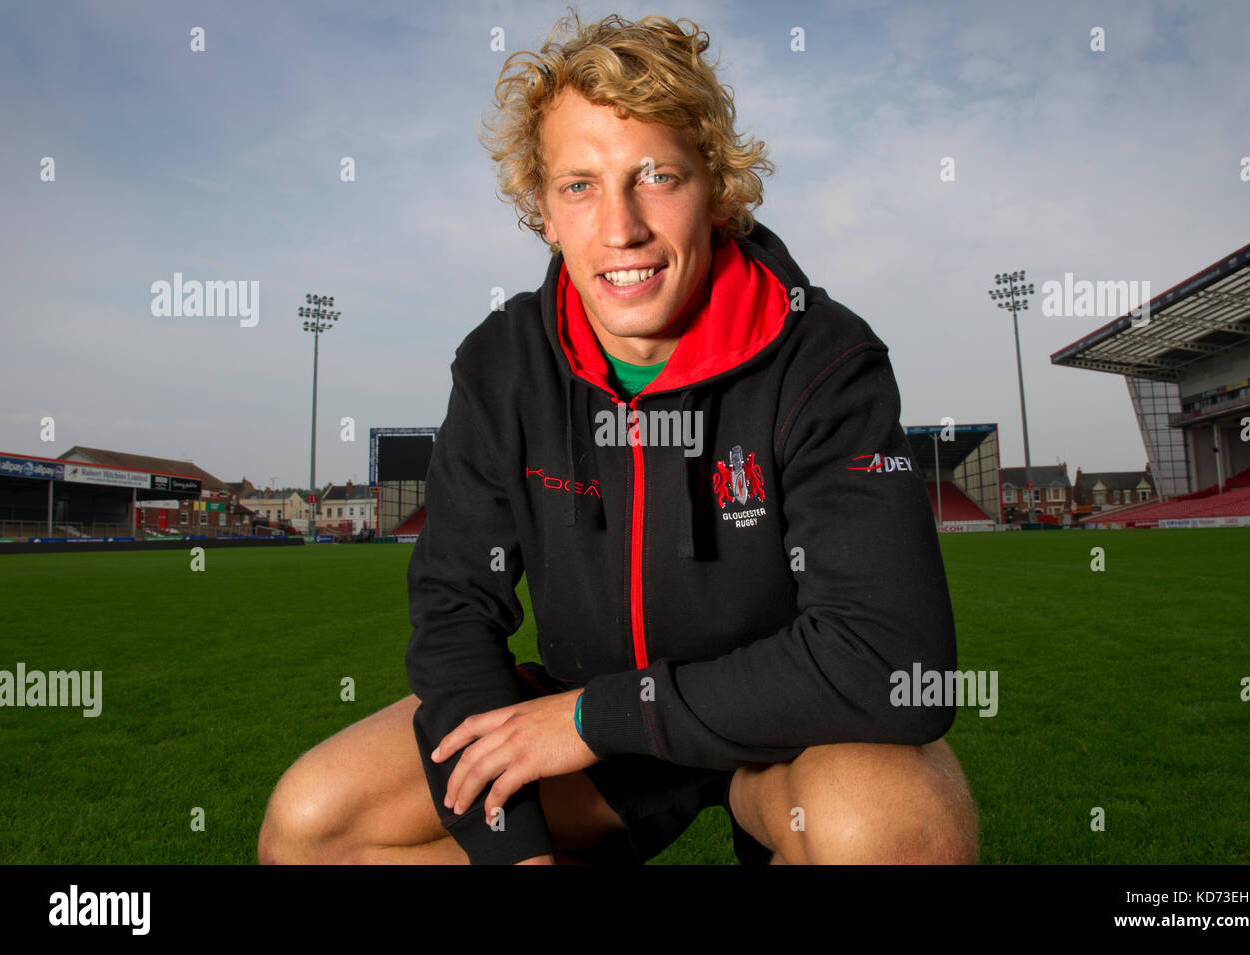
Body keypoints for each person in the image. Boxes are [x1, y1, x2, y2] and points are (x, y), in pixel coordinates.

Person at [258, 10, 976, 866]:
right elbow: (453, 615)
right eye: (579, 185)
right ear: (544, 211)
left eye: (656, 176)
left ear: (714, 185)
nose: (620, 226)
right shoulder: (503, 364)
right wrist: (516, 853)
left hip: (778, 735)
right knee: (310, 826)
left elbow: (893, 659)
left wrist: (598, 716)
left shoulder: (823, 356)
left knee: (888, 835)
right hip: (587, 739)